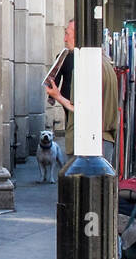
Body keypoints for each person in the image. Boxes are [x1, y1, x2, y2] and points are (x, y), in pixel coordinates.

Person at [45, 18, 120, 166]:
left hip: (90, 142)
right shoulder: (104, 62)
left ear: (79, 36)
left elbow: (81, 109)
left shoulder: (87, 66)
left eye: (68, 34)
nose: (65, 39)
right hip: (101, 140)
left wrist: (57, 96)